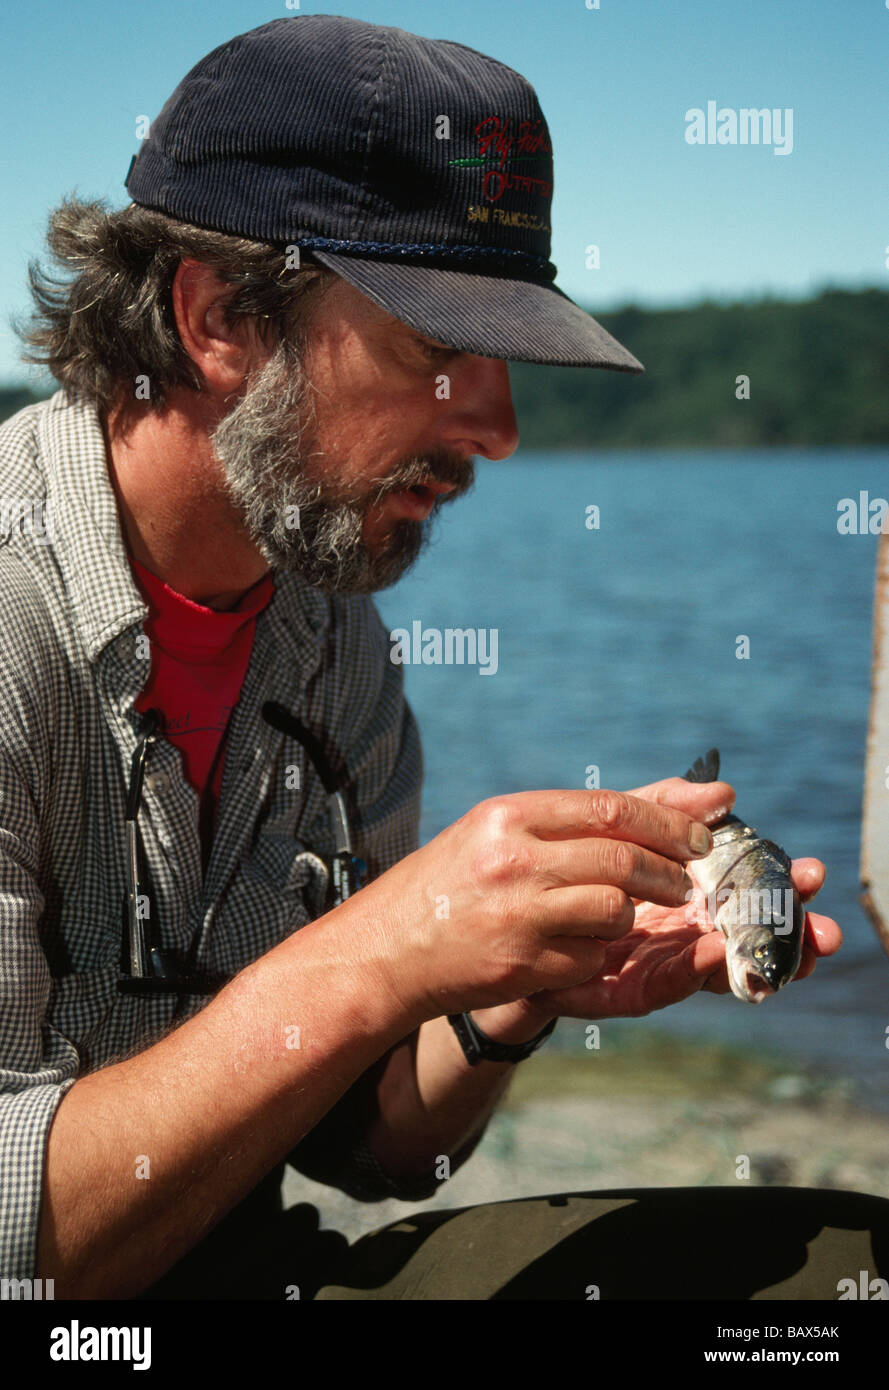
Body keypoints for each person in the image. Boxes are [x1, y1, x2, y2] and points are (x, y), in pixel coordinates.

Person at [0, 15, 873, 1303]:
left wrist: (506, 991)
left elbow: (367, 1143)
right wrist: (378, 953)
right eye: (437, 349)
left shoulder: (327, 634)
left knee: (836, 1274)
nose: (503, 431)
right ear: (219, 318)